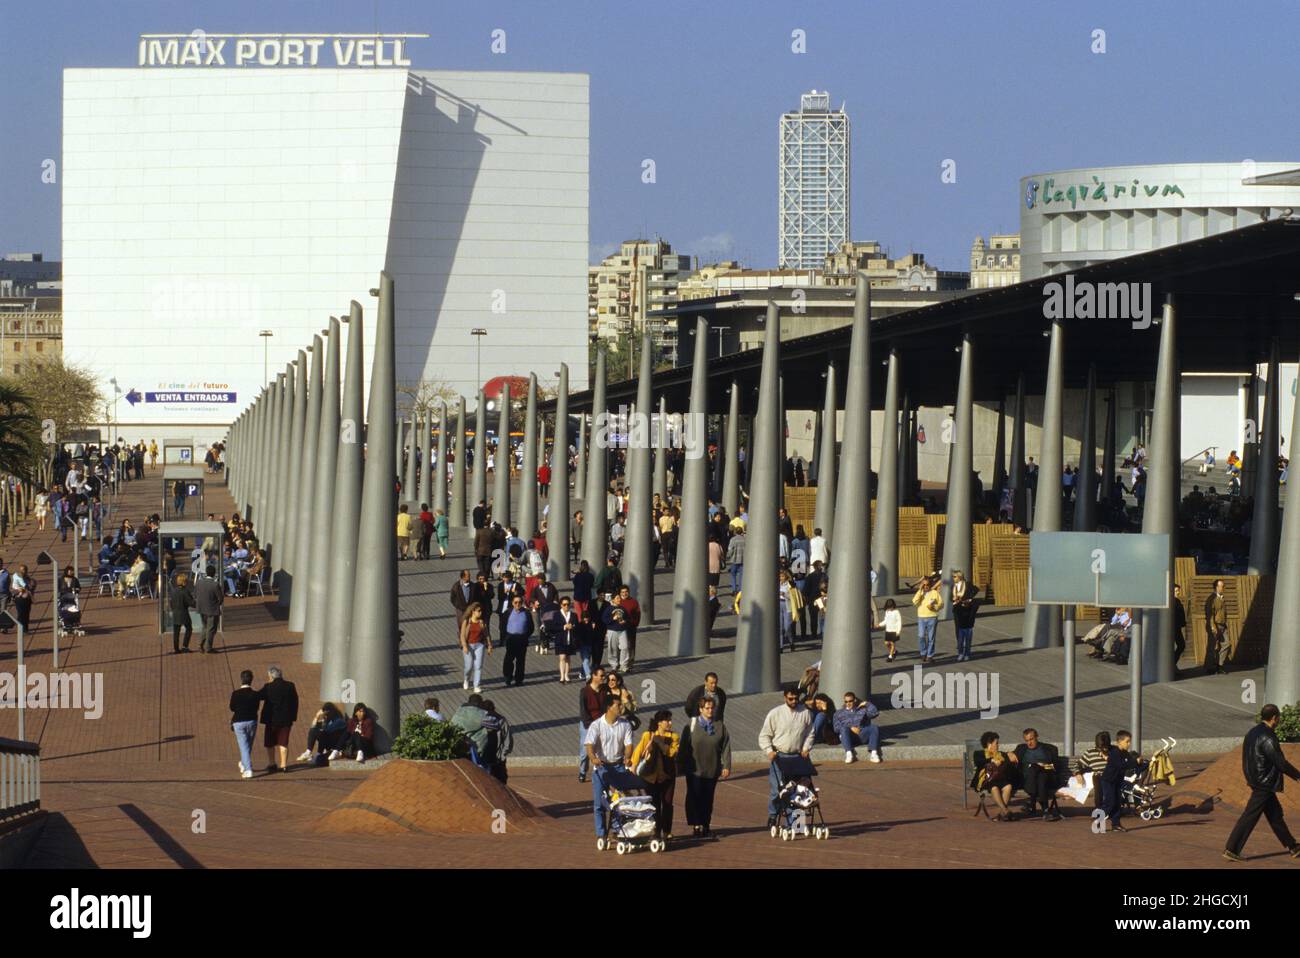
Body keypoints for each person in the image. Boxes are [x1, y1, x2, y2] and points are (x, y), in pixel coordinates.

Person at [1223, 704, 1300, 861]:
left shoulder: (1252, 732)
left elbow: (1246, 757)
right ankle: (1231, 849)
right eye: (1278, 718)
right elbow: (1280, 762)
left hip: (1256, 780)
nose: (1278, 720)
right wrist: (1298, 776)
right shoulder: (1268, 736)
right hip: (1264, 783)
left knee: (1275, 816)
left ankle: (1293, 846)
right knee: (1250, 816)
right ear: (1274, 718)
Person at [758, 685, 815, 829]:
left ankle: (795, 823)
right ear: (785, 698)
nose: (794, 701)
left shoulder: (805, 713)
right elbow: (764, 735)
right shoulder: (775, 713)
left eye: (796, 698)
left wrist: (806, 748)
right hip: (779, 756)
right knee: (777, 790)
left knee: (797, 791)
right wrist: (769, 751)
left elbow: (810, 732)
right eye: (790, 699)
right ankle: (773, 814)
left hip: (797, 757)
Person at [584, 694, 635, 843]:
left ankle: (616, 829)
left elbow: (628, 745)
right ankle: (601, 833)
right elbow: (589, 745)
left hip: (618, 766)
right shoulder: (597, 725)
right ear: (609, 708)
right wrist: (593, 758)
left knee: (620, 801)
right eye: (618, 705)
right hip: (601, 767)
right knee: (600, 803)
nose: (621, 707)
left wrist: (627, 756)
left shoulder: (625, 725)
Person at [679, 694, 731, 838]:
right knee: (694, 797)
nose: (710, 711)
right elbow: (683, 746)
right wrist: (680, 765)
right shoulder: (692, 724)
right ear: (700, 709)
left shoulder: (720, 726)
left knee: (708, 799)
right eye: (707, 708)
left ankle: (706, 825)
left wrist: (726, 765)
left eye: (712, 708)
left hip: (712, 769)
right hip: (694, 769)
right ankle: (696, 825)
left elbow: (726, 746)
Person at [630, 709, 679, 840]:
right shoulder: (648, 735)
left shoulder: (674, 737)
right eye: (667, 720)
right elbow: (638, 750)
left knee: (667, 803)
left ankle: (667, 831)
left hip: (668, 776)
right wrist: (633, 766)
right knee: (654, 805)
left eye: (670, 720)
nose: (670, 722)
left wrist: (659, 741)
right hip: (650, 777)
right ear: (659, 722)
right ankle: (656, 831)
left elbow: (671, 753)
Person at [1013, 727, 1061, 820]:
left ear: (1037, 737)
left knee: (1040, 773)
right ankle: (1046, 811)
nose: (1029, 743)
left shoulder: (1049, 749)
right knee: (1036, 771)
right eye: (1027, 741)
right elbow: (1010, 756)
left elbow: (1056, 767)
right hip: (1027, 781)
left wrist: (1044, 766)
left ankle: (1032, 803)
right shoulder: (1021, 749)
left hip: (1047, 778)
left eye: (1031, 739)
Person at [259, 666, 299, 773]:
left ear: (271, 676)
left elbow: (259, 696)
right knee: (283, 742)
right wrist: (293, 717)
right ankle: (284, 765)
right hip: (286, 720)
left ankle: (272, 763)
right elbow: (295, 702)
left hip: (271, 719)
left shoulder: (268, 687)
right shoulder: (290, 686)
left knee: (269, 743)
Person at [1100, 729, 1141, 832]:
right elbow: (1122, 765)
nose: (1129, 744)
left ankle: (1116, 824)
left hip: (1118, 781)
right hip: (1108, 781)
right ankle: (1098, 821)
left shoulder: (1125, 753)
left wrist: (1143, 762)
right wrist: (1134, 762)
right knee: (1110, 802)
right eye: (1127, 741)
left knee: (1118, 802)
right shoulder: (1114, 752)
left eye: (1129, 741)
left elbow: (1131, 762)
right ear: (1119, 741)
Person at [972, 731, 1016, 822]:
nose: (998, 745)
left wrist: (1009, 754)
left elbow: (1007, 764)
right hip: (986, 780)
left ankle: (1002, 813)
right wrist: (992, 760)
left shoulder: (1000, 754)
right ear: (989, 744)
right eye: (996, 743)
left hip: (999, 778)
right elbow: (978, 762)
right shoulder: (979, 753)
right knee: (994, 788)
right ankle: (1005, 811)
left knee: (1008, 786)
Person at [833, 691, 881, 764]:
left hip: (861, 735)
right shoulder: (838, 713)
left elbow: (875, 713)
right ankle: (849, 753)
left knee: (874, 727)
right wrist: (850, 727)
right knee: (843, 729)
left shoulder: (862, 710)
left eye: (850, 701)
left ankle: (874, 753)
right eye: (846, 701)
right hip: (848, 737)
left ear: (854, 700)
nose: (848, 703)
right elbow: (836, 728)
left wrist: (867, 704)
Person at [578, 665, 607, 783]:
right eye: (601, 676)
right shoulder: (584, 691)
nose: (603, 678)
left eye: (604, 676)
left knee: (602, 748)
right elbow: (583, 710)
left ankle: (601, 771)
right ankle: (582, 771)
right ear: (594, 676)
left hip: (602, 723)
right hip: (588, 723)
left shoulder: (605, 689)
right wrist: (588, 725)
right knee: (585, 751)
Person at [229, 669, 260, 779]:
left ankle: (248, 769)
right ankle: (243, 763)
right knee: (248, 745)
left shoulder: (235, 693)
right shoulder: (256, 694)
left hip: (239, 722)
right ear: (251, 680)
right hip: (252, 721)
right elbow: (257, 708)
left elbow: (232, 708)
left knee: (243, 746)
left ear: (241, 679)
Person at [1070, 731, 1112, 810]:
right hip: (1099, 776)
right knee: (1098, 780)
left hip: (1112, 775)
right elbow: (1077, 765)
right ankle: (1099, 808)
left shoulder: (1114, 751)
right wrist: (1078, 773)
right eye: (1101, 748)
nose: (1104, 750)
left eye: (1106, 747)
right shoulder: (1091, 752)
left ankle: (1108, 808)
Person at [501, 593, 535, 687]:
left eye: (520, 602)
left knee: (520, 661)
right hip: (511, 639)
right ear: (512, 603)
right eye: (515, 602)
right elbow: (502, 625)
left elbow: (531, 627)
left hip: (522, 639)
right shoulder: (508, 612)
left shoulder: (526, 613)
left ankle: (519, 679)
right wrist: (505, 637)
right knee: (508, 660)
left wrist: (525, 635)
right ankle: (508, 676)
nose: (517, 604)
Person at [459, 604, 491, 694]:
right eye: (478, 611)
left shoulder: (481, 622)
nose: (480, 613)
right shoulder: (467, 621)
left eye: (481, 611)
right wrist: (464, 646)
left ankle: (476, 685)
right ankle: (466, 679)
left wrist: (489, 645)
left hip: (479, 645)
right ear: (473, 611)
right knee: (468, 666)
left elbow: (486, 634)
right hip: (468, 645)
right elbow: (462, 635)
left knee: (478, 666)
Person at [912, 572, 942, 665]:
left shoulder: (934, 593)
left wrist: (935, 607)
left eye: (927, 585)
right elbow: (914, 602)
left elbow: (941, 604)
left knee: (931, 637)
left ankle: (930, 655)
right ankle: (923, 652)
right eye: (924, 585)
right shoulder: (920, 593)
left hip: (932, 617)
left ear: (930, 584)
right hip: (921, 617)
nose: (926, 586)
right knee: (921, 636)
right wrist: (920, 591)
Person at [548, 595, 578, 683]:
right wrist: (564, 627)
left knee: (568, 657)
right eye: (564, 604)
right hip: (560, 639)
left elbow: (577, 625)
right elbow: (553, 627)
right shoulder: (556, 614)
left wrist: (572, 626)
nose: (566, 606)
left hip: (570, 639)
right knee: (562, 657)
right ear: (561, 605)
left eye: (568, 604)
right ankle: (562, 676)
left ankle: (566, 675)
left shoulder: (573, 615)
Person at [194, 565, 223, 654]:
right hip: (212, 610)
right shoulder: (215, 584)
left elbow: (196, 594)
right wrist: (217, 605)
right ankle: (208, 647)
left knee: (205, 627)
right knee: (211, 629)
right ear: (214, 574)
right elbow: (220, 598)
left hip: (202, 608)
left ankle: (200, 644)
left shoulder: (199, 582)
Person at [951, 569, 979, 662]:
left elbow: (976, 590)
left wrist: (968, 598)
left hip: (966, 609)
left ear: (959, 577)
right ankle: (960, 649)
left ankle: (966, 652)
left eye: (954, 576)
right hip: (957, 609)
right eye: (953, 576)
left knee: (967, 631)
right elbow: (951, 598)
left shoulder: (967, 584)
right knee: (957, 628)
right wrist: (954, 599)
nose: (953, 578)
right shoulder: (954, 586)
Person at [1204, 578, 1228, 675]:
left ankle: (1219, 665)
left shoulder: (1221, 598)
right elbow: (1210, 614)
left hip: (1222, 625)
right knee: (1212, 646)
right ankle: (1209, 668)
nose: (1224, 588)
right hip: (1214, 625)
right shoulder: (1212, 598)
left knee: (1227, 644)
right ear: (1217, 587)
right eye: (1222, 586)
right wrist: (1213, 626)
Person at [170, 570, 195, 653]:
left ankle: (176, 648)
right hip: (184, 613)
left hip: (176, 613)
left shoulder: (173, 591)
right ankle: (185, 646)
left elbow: (171, 603)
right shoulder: (185, 591)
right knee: (189, 628)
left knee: (176, 632)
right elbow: (191, 602)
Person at [602, 603, 631, 673]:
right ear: (613, 599)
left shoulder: (622, 608)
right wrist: (613, 618)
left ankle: (623, 665)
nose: (619, 599)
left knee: (625, 647)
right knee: (612, 648)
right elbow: (604, 620)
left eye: (619, 598)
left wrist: (625, 621)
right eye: (617, 598)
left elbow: (628, 618)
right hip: (612, 630)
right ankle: (614, 665)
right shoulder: (608, 609)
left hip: (622, 630)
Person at [11, 564, 33, 632]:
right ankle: (21, 628)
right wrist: (19, 589)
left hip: (27, 599)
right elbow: (14, 588)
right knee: (20, 613)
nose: (22, 571)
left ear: (26, 571)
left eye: (24, 570)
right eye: (21, 570)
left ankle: (25, 628)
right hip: (19, 598)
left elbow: (31, 587)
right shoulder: (16, 577)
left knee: (26, 613)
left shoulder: (28, 578)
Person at [881, 598, 902, 662]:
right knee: (887, 643)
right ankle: (894, 651)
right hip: (888, 630)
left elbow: (899, 622)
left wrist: (898, 631)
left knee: (892, 643)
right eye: (889, 607)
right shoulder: (887, 612)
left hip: (894, 630)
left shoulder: (896, 612)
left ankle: (890, 656)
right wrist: (879, 624)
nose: (890, 608)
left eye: (891, 607)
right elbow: (885, 620)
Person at [1172, 582, 1187, 670]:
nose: (1178, 592)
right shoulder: (1171, 602)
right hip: (1172, 628)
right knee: (1180, 645)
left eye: (1178, 591)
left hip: (1177, 627)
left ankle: (1172, 663)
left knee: (1181, 645)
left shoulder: (1177, 601)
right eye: (1176, 591)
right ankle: (1172, 665)